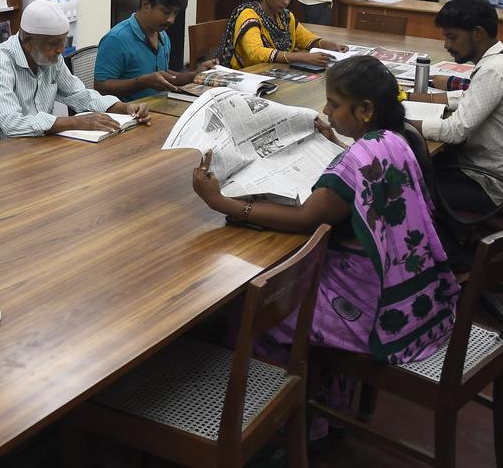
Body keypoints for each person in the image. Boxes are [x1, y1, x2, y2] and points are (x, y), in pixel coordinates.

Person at [191, 55, 458, 366]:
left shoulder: (360, 157)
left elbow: (304, 218)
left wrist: (221, 203)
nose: (326, 111)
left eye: (334, 104)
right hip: (416, 294)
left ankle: (290, 397)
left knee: (257, 307)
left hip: (374, 308)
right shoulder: (399, 137)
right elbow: (366, 172)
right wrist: (337, 143)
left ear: (365, 110)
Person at [408, 0, 503, 218]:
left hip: (496, 188)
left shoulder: (494, 70)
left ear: (478, 33)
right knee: (422, 165)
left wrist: (398, 121)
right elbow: (471, 96)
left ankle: (432, 246)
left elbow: (455, 131)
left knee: (407, 186)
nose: (447, 45)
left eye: (452, 37)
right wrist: (415, 97)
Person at [0, 0, 150, 148]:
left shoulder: (51, 58)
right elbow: (12, 124)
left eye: (63, 42)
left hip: (34, 147)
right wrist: (76, 122)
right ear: (29, 42)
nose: (61, 50)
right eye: (54, 44)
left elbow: (78, 94)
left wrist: (123, 107)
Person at [94, 0, 216, 99]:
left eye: (175, 13)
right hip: (127, 115)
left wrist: (195, 75)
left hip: (158, 109)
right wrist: (142, 82)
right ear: (146, 5)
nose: (171, 20)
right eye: (166, 12)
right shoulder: (116, 39)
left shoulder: (162, 36)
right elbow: (100, 87)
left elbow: (163, 75)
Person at [216, 0, 347, 69]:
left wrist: (329, 45)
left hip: (270, 71)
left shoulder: (285, 16)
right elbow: (255, 53)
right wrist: (301, 57)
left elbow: (306, 39)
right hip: (245, 73)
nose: (286, 2)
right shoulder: (248, 14)